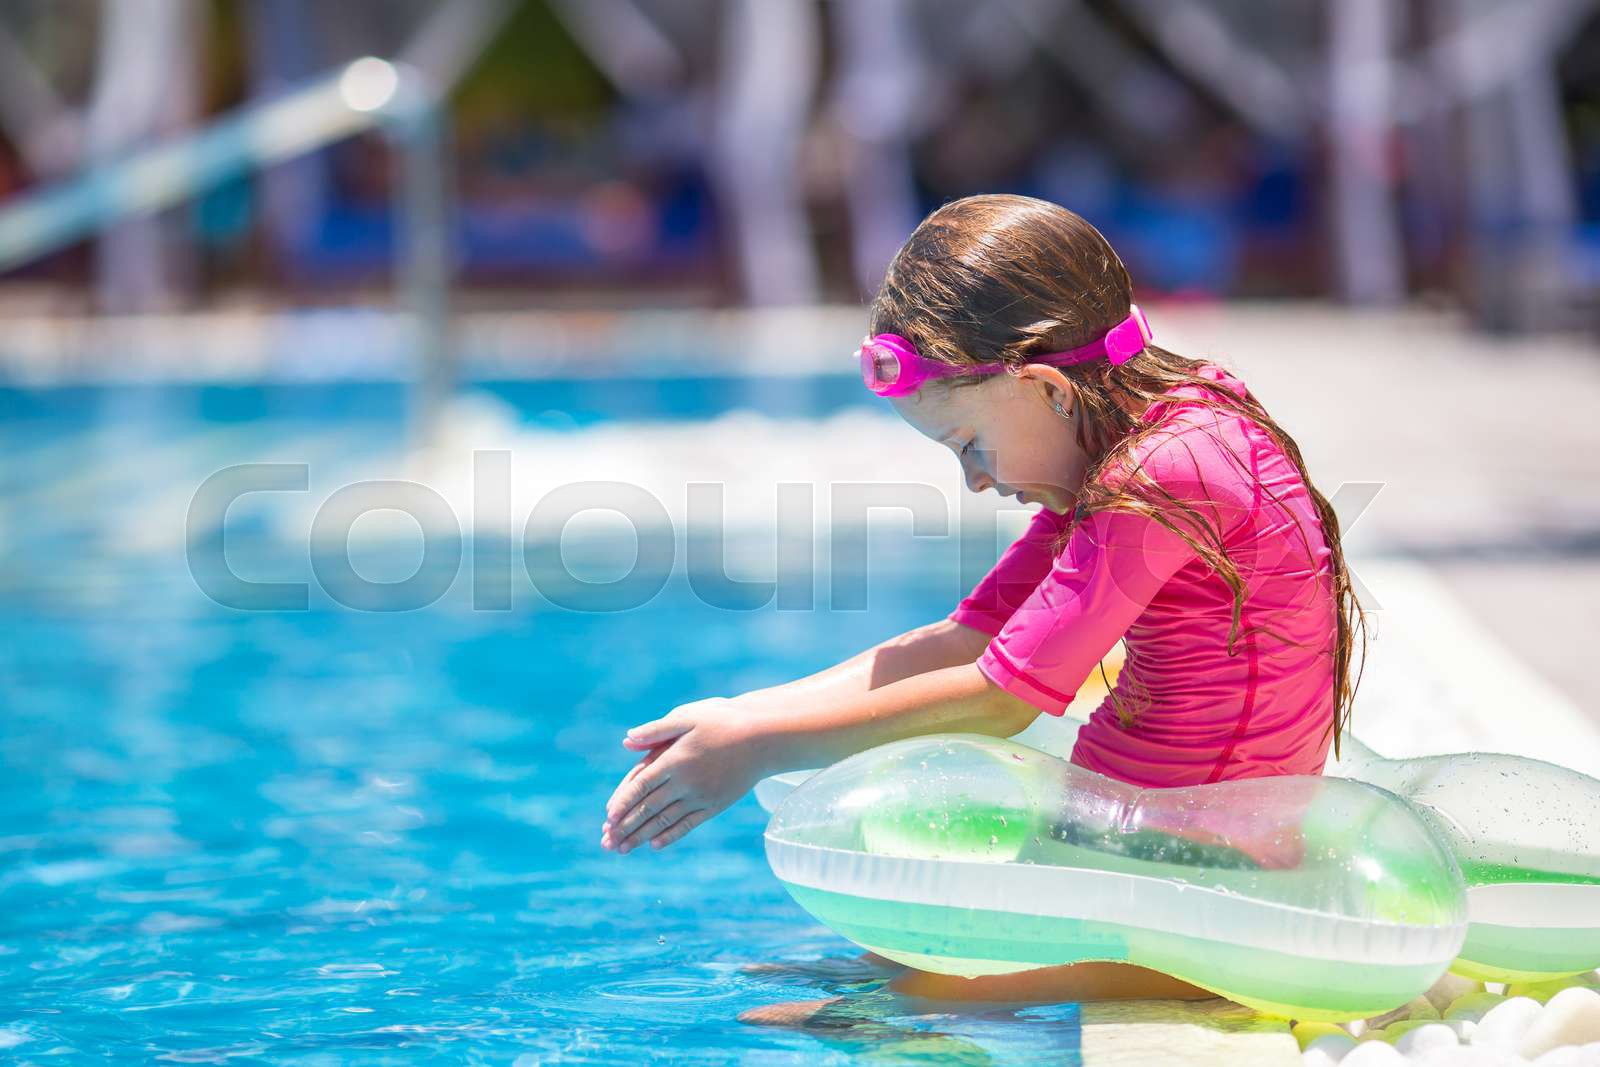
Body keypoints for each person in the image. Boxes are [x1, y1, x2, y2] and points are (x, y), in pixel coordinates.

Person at [600, 193, 1365, 1013]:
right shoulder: (1148, 436)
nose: (975, 479)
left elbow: (1002, 697)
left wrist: (759, 749)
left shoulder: (1160, 477)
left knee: (848, 1015)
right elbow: (971, 638)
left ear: (1043, 386)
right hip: (1135, 851)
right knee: (858, 966)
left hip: (1202, 886)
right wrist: (745, 715)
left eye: (969, 443)